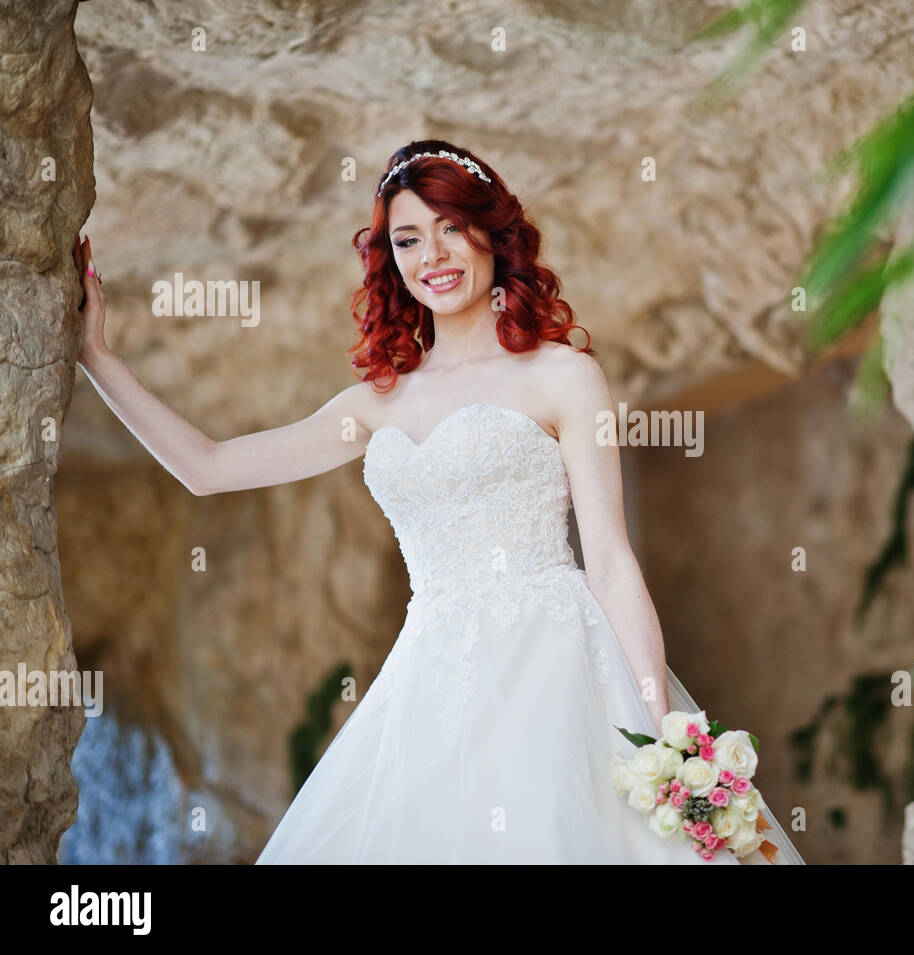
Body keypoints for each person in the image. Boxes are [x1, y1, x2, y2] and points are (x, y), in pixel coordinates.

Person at [74, 139, 804, 864]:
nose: (434, 254)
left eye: (451, 226)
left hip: (557, 664)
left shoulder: (563, 376)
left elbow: (610, 561)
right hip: (431, 676)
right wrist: (97, 358)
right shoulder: (377, 402)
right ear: (390, 258)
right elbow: (208, 466)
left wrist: (662, 726)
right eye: (408, 238)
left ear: (492, 231)